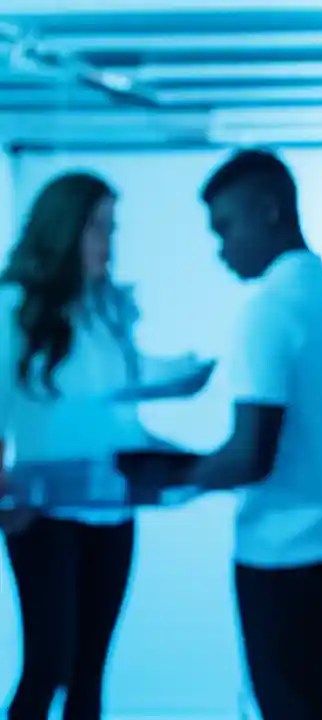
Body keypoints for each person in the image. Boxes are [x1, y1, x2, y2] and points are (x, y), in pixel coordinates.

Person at [0, 173, 210, 719]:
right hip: (42, 514)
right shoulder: (14, 308)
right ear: (63, 228)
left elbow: (113, 390)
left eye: (112, 229)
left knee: (90, 671)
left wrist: (183, 372)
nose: (108, 243)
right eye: (98, 227)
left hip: (111, 508)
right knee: (48, 664)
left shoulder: (106, 312)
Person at [182, 150, 322, 720]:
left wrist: (172, 479)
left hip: (283, 556)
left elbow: (250, 457)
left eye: (226, 228)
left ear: (269, 211)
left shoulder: (267, 309)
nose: (221, 249)